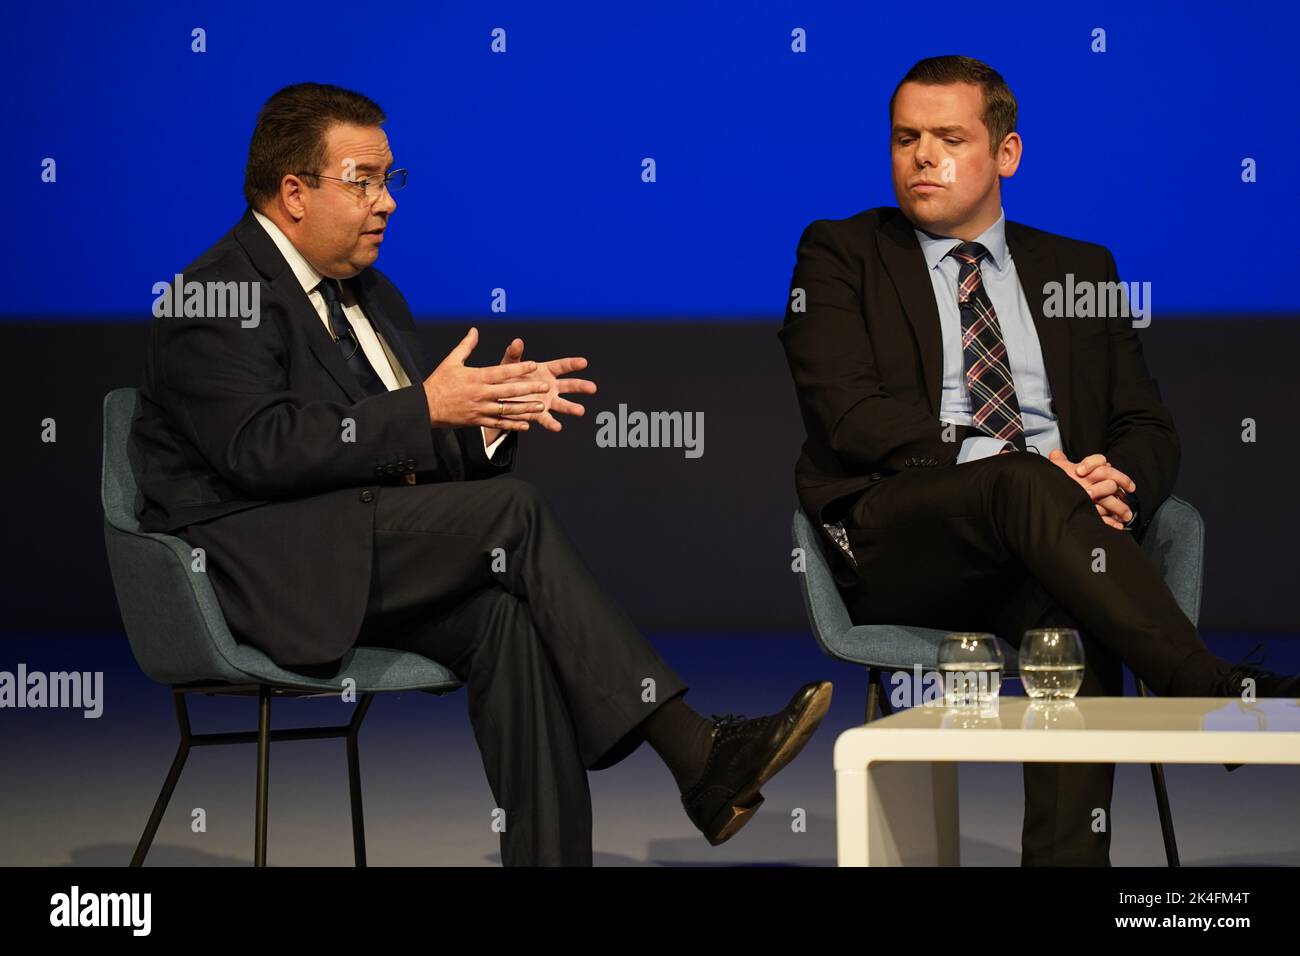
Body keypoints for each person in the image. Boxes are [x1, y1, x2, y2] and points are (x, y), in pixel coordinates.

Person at [131, 81, 831, 866]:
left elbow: (391, 448)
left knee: (507, 617)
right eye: (362, 180)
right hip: (261, 569)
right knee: (512, 514)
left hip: (352, 549)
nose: (386, 202)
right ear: (293, 194)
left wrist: (483, 426)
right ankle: (694, 751)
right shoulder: (215, 293)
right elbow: (258, 449)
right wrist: (428, 409)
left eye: (391, 179)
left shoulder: (369, 296)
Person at [778, 55, 1299, 866]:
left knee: (1070, 607)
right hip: (904, 534)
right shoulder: (841, 253)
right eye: (905, 137)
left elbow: (1146, 425)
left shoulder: (1078, 269)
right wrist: (1019, 464)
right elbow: (850, 419)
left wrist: (1111, 480)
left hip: (1058, 533)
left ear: (1006, 154)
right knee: (1023, 477)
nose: (923, 155)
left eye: (949, 137)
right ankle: (1206, 689)